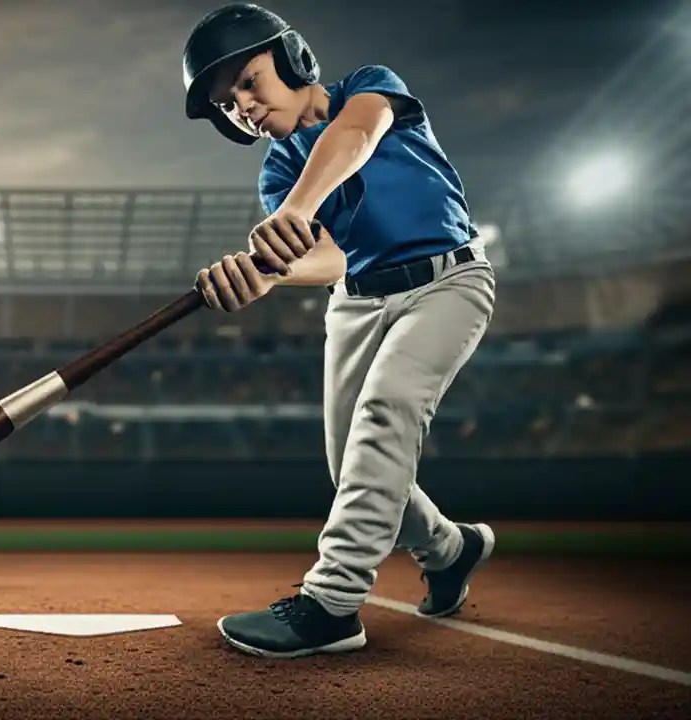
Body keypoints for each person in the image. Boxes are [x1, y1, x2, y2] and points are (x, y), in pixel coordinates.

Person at [184, 3, 498, 659]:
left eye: (246, 80)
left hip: (447, 280)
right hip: (354, 303)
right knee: (349, 465)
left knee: (386, 414)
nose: (240, 106)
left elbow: (354, 138)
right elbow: (329, 254)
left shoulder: (367, 87)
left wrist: (296, 211)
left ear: (293, 58)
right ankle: (450, 548)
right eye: (225, 103)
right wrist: (269, 275)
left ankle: (332, 603)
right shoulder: (275, 171)